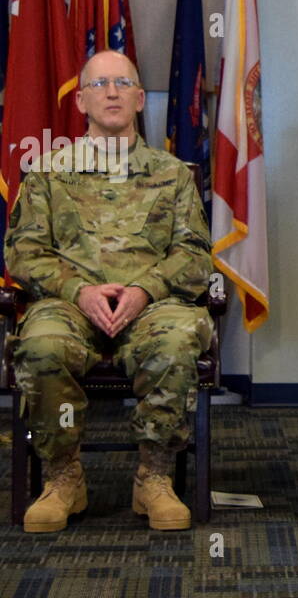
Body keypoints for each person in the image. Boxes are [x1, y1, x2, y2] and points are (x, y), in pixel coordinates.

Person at [5, 50, 214, 532]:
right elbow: (24, 253)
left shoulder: (173, 174)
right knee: (40, 346)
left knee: (176, 339)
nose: (112, 93)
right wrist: (79, 290)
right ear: (80, 101)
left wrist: (146, 287)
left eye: (122, 84)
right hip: (69, 304)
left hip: (153, 306)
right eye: (99, 85)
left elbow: (195, 255)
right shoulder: (48, 173)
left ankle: (154, 478)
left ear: (140, 98)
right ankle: (63, 477)